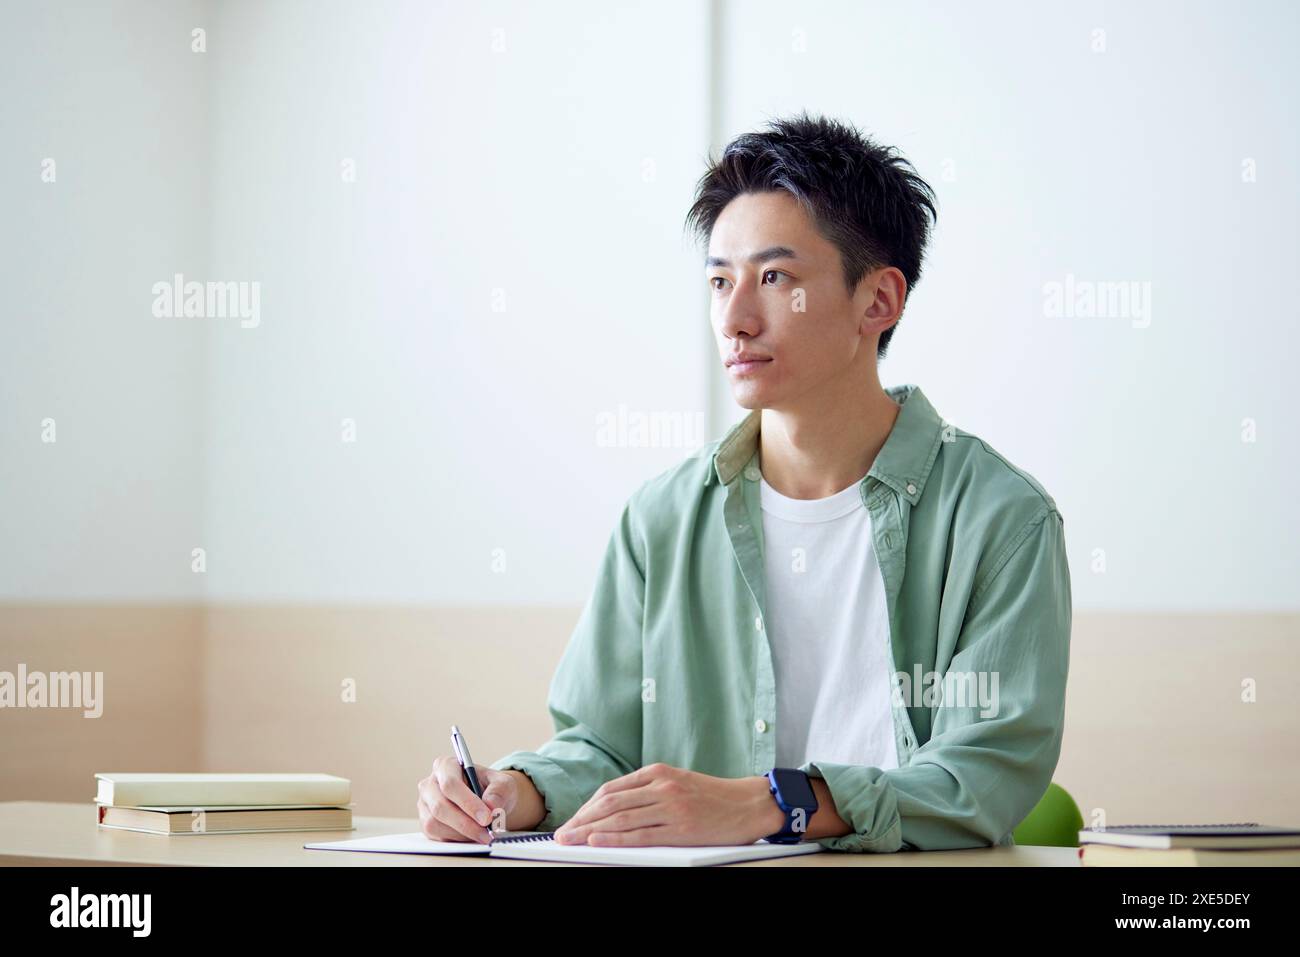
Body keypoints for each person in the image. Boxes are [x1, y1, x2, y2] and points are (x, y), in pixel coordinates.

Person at [417, 112, 1071, 852]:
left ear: (878, 301)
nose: (733, 317)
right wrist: (514, 792)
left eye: (773, 278)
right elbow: (599, 748)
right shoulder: (661, 518)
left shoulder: (1001, 520)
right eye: (719, 281)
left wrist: (773, 802)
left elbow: (980, 774)